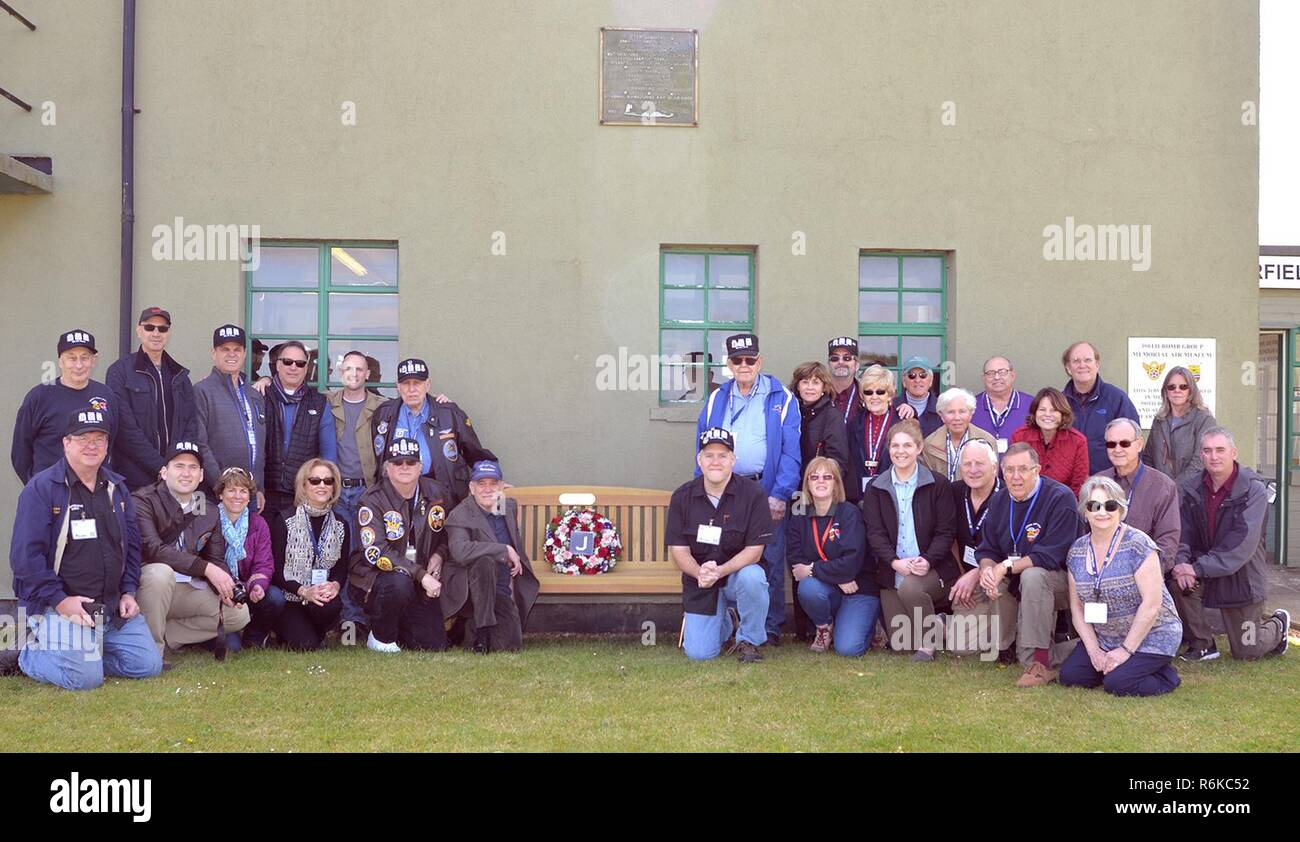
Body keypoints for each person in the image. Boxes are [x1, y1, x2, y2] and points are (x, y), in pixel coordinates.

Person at [7, 409, 162, 690]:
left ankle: (86, 651)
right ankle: (29, 654)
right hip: (59, 607)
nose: (92, 445)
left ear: (107, 445)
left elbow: (133, 546)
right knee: (85, 678)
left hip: (109, 608)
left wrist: (128, 590)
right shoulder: (41, 489)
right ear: (66, 443)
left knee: (147, 665)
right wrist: (60, 601)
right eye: (83, 438)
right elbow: (24, 559)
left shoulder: (117, 488)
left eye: (99, 438)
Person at [694, 333, 799, 646]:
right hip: (722, 490)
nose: (744, 365)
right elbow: (700, 446)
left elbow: (792, 452)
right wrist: (703, 489)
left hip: (763, 488)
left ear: (759, 362)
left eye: (749, 360)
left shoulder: (781, 396)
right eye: (737, 360)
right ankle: (728, 621)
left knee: (770, 557)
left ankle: (770, 627)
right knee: (721, 550)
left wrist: (780, 493)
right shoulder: (716, 398)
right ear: (728, 364)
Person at [1059, 476, 1182, 696]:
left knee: (1117, 684)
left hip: (1152, 634)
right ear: (1085, 511)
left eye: (1110, 505)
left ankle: (1165, 675)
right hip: (1105, 638)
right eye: (1094, 505)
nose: (1102, 512)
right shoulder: (1076, 551)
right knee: (1071, 677)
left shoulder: (1139, 545)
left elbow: (1152, 604)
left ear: (1121, 509)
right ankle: (1121, 666)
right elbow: (1077, 608)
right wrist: (1094, 650)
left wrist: (1125, 651)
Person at [976, 443, 1086, 687]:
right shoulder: (999, 500)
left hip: (1065, 582)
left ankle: (1039, 662)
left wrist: (1003, 567)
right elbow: (987, 548)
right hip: (1018, 578)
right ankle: (1022, 650)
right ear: (1001, 473)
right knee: (996, 579)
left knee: (1033, 576)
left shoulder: (1060, 497)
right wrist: (987, 570)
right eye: (1010, 470)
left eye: (1023, 469)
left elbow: (1051, 556)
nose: (1016, 477)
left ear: (1036, 470)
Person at [1174, 427, 1289, 660]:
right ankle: (1203, 644)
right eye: (1207, 450)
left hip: (1242, 576)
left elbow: (1240, 546)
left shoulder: (1253, 490)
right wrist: (1182, 564)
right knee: (1178, 582)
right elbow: (1182, 533)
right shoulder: (1190, 488)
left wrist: (1195, 568)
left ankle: (1278, 625)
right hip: (1203, 569)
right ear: (1201, 455)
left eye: (1220, 450)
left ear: (1233, 453)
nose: (1213, 456)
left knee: (1248, 649)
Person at [135, 440, 251, 657]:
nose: (186, 473)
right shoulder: (143, 500)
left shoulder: (207, 509)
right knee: (160, 573)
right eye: (179, 466)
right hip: (147, 586)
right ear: (163, 471)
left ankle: (167, 635)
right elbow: (153, 549)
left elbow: (215, 559)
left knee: (238, 614)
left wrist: (224, 586)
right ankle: (150, 654)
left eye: (193, 467)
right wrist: (205, 568)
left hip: (184, 588)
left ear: (201, 475)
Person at [668, 427, 774, 663]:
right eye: (709, 455)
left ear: (733, 460)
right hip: (702, 581)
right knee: (700, 654)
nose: (715, 461)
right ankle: (728, 621)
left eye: (723, 455)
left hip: (737, 577)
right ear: (699, 460)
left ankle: (749, 640)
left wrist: (721, 571)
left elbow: (755, 552)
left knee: (753, 577)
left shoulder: (754, 494)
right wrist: (699, 572)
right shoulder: (682, 497)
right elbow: (679, 550)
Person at [862, 420, 957, 661]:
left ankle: (929, 644)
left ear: (919, 448)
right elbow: (875, 534)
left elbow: (946, 531)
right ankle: (939, 624)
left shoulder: (938, 484)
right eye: (895, 446)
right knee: (902, 643)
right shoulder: (876, 487)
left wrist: (927, 559)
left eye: (907, 445)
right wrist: (894, 562)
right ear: (889, 448)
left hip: (932, 568)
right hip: (893, 569)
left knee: (910, 588)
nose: (900, 451)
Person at [348, 437, 453, 653]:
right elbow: (376, 552)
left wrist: (440, 555)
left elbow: (448, 534)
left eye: (410, 462)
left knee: (433, 645)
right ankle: (381, 638)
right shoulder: (372, 500)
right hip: (378, 578)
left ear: (420, 466)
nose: (404, 467)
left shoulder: (437, 493)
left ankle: (397, 625)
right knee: (398, 584)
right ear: (387, 467)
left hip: (417, 580)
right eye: (397, 462)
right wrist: (421, 575)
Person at [1095, 419, 1187, 655]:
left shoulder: (1162, 486)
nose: (1117, 449)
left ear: (1139, 444)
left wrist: (1145, 576)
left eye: (1124, 443)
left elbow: (1168, 542)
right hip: (1102, 579)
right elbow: (1085, 534)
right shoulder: (1097, 484)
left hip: (1143, 580)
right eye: (1111, 444)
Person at [370, 358, 495, 505]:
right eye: (406, 384)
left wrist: (492, 478)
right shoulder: (384, 414)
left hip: (442, 493)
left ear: (427, 385)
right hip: (397, 495)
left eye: (417, 383)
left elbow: (475, 454)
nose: (411, 390)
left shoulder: (449, 414)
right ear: (398, 386)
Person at [446, 460, 541, 653]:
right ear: (472, 488)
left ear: (501, 487)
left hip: (500, 590)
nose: (487, 489)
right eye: (481, 484)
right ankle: (481, 632)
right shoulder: (460, 515)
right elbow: (460, 551)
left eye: (493, 483)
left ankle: (465, 629)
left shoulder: (507, 507)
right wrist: (503, 550)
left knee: (509, 646)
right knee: (485, 562)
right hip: (472, 590)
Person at [788, 457, 877, 655]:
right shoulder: (799, 515)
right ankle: (824, 626)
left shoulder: (849, 513)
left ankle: (870, 625)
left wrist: (813, 569)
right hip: (831, 586)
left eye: (827, 477)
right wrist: (839, 578)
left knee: (848, 649)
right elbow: (796, 563)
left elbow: (851, 564)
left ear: (836, 483)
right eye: (815, 477)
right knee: (808, 588)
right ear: (807, 483)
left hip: (858, 588)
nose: (821, 481)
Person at [327, 350, 388, 633]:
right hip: (336, 491)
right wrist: (262, 382)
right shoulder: (327, 402)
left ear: (368, 374)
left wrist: (440, 400)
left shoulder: (383, 406)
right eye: (348, 369)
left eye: (359, 369)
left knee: (365, 552)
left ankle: (365, 616)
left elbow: (417, 403)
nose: (354, 374)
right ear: (341, 374)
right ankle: (346, 618)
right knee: (340, 552)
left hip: (368, 490)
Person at [105, 307, 198, 491]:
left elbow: (190, 425)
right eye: (149, 328)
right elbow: (125, 429)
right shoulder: (119, 372)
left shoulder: (179, 376)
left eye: (162, 329)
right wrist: (161, 466)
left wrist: (177, 466)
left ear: (169, 333)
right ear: (139, 331)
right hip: (133, 481)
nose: (156, 333)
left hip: (174, 481)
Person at [13, 330, 120, 483]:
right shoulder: (39, 397)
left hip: (94, 492)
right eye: (71, 358)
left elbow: (111, 440)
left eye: (84, 358)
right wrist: (37, 485)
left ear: (93, 360)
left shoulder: (106, 395)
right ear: (60, 361)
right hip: (50, 491)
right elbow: (20, 452)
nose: (78, 365)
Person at [266, 459, 352, 650]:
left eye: (328, 481)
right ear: (304, 486)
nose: (322, 485)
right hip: (291, 597)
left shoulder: (341, 524)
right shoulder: (284, 520)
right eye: (315, 480)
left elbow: (341, 569)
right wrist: (305, 591)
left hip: (321, 598)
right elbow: (276, 572)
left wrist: (334, 586)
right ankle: (289, 631)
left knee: (331, 605)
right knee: (306, 646)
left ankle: (315, 631)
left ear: (334, 487)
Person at [947, 439, 1016, 660]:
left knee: (996, 587)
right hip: (966, 577)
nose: (973, 470)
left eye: (980, 463)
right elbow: (949, 537)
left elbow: (1013, 550)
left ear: (995, 467)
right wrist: (961, 575)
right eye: (967, 464)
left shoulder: (1009, 495)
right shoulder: (954, 492)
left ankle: (1012, 634)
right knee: (960, 647)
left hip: (1002, 575)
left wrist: (976, 573)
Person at [259, 341, 338, 522]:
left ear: (306, 368)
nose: (293, 367)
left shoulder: (319, 403)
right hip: (263, 492)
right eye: (287, 362)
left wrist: (322, 487)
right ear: (277, 365)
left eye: (300, 363)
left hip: (301, 495)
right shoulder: (260, 396)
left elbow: (328, 455)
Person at [193, 324, 266, 509]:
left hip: (248, 494)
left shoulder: (254, 394)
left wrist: (259, 488)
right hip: (217, 494)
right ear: (214, 353)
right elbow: (200, 443)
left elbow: (260, 445)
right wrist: (221, 484)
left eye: (237, 349)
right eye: (224, 349)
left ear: (244, 353)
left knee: (250, 538)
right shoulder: (202, 391)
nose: (231, 354)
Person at [209, 466, 278, 649]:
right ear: (221, 494)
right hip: (218, 590)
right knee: (231, 647)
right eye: (231, 490)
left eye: (243, 491)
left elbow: (264, 563)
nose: (237, 496)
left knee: (275, 598)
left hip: (246, 586)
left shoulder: (258, 523)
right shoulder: (208, 520)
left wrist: (258, 586)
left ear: (250, 496)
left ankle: (254, 636)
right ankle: (212, 635)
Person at [1060, 341, 1139, 474]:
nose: (1082, 365)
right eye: (1076, 361)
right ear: (1068, 368)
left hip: (1109, 482)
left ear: (1097, 365)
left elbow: (1132, 444)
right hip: (1069, 484)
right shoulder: (1059, 403)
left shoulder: (1116, 399)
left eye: (1087, 360)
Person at [1143, 366, 1218, 485]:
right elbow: (1148, 457)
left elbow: (1200, 461)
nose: (1177, 390)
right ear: (1166, 392)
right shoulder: (1159, 420)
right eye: (1171, 387)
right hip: (1160, 491)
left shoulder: (1203, 419)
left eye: (1183, 387)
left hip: (1192, 492)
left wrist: (1175, 488)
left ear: (1191, 391)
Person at [1011, 387, 1090, 496]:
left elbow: (1079, 485)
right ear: (1035, 412)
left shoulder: (1078, 441)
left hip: (1063, 505)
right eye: (1042, 410)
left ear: (1062, 414)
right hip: (1026, 503)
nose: (1047, 414)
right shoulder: (1020, 437)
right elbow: (1014, 477)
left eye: (1054, 410)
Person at [790, 362, 851, 488]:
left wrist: (821, 484)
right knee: (797, 509)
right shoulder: (791, 412)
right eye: (805, 382)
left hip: (820, 487)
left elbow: (838, 460)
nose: (810, 387)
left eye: (816, 382)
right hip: (793, 486)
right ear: (798, 386)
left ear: (824, 387)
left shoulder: (832, 416)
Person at [921, 388, 997, 482]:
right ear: (942, 416)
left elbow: (992, 479)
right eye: (951, 412)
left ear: (971, 413)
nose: (957, 418)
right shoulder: (930, 444)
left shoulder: (987, 441)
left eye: (962, 411)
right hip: (942, 495)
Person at [846, 364, 897, 502]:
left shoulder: (902, 422)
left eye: (880, 391)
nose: (874, 397)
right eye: (868, 392)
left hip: (894, 496)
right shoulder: (854, 423)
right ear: (863, 396)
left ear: (890, 394)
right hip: (860, 497)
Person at [970, 356, 1034, 456]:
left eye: (1002, 372)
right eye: (990, 373)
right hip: (981, 469)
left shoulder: (1032, 405)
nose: (996, 377)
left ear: (1013, 375)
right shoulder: (971, 406)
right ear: (984, 378)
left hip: (1019, 470)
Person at [892, 356, 941, 437]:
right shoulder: (892, 407)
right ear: (904, 381)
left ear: (931, 380)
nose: (917, 380)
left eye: (923, 375)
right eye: (912, 375)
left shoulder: (941, 408)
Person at [825, 336, 861, 427]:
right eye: (835, 358)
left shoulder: (867, 396)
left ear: (856, 365)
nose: (840, 362)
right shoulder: (818, 395)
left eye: (847, 358)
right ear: (829, 364)